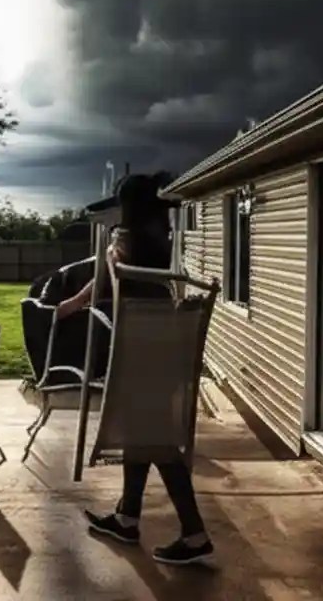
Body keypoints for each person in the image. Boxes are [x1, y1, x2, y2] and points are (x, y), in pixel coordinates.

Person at [56, 172, 214, 566]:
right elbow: (114, 280)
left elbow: (107, 280)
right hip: (160, 345)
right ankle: (127, 518)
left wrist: (72, 304)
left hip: (145, 347)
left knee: (155, 438)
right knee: (143, 435)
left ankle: (194, 533)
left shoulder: (126, 243)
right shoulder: (157, 238)